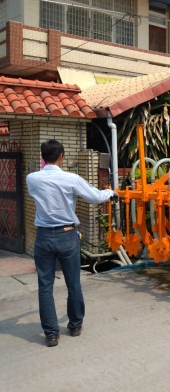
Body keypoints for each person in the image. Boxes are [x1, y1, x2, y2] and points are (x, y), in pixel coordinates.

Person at [26, 139, 117, 347]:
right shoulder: (71, 179)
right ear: (62, 157)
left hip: (43, 237)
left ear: (42, 157)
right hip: (67, 236)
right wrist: (111, 193)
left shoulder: (32, 179)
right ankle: (75, 325)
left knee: (45, 286)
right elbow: (94, 197)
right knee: (73, 282)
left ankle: (51, 334)